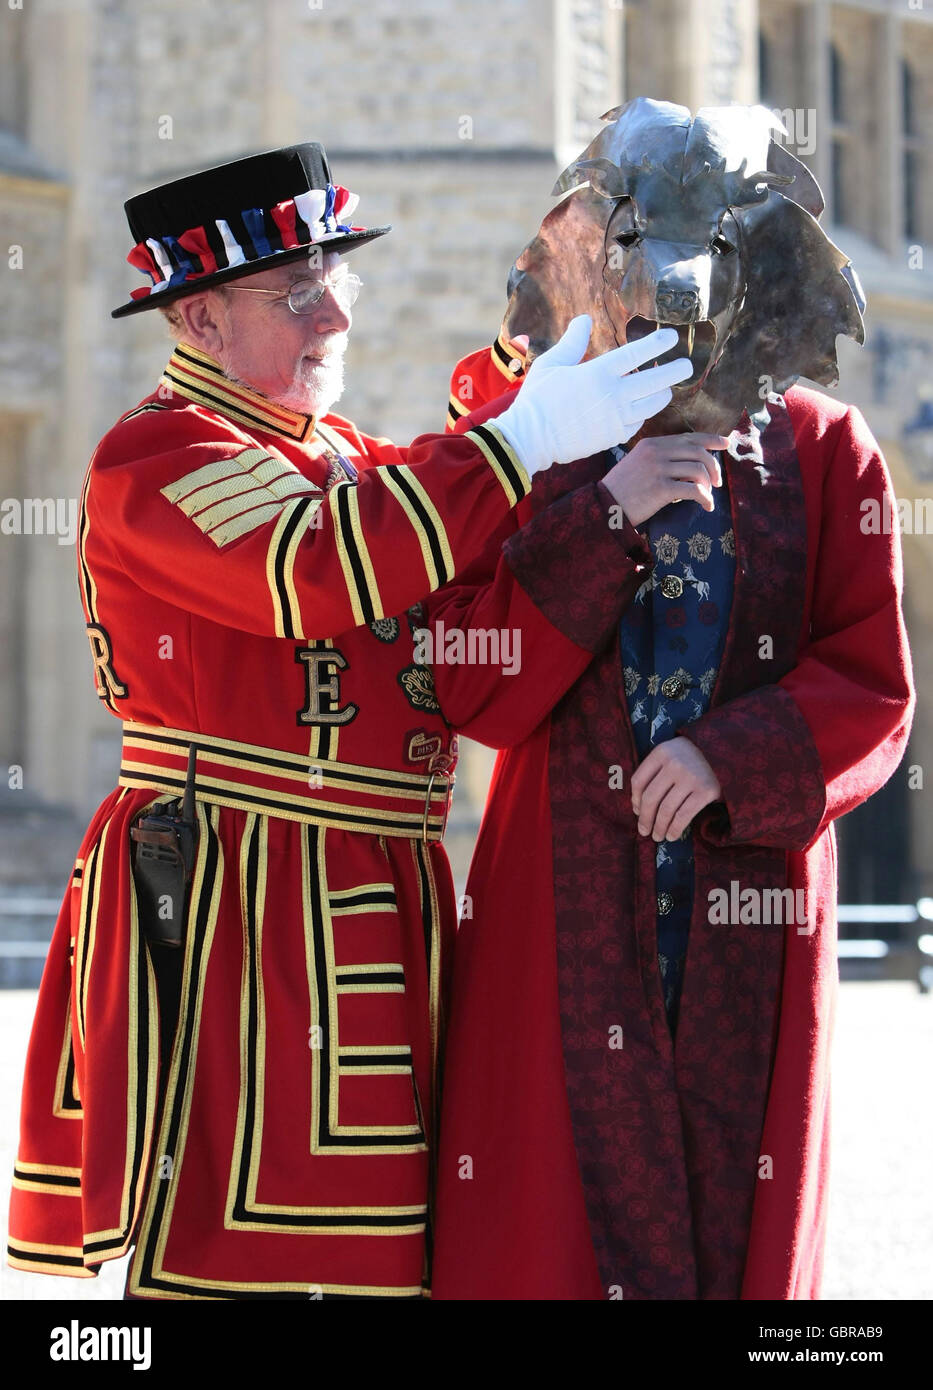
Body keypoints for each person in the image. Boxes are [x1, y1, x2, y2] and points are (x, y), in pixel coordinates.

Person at [5, 140, 687, 1299]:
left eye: (340, 284)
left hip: (383, 893)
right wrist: (520, 441)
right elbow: (316, 563)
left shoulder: (362, 462)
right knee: (252, 1257)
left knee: (395, 1255)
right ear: (202, 318)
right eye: (297, 293)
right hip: (243, 890)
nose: (335, 315)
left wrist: (604, 502)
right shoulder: (158, 452)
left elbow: (470, 611)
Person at [427, 300, 915, 1301]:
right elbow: (470, 682)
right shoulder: (535, 437)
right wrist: (608, 514)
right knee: (550, 1229)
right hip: (559, 901)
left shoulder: (826, 448)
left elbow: (874, 686)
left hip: (750, 900)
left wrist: (727, 761)